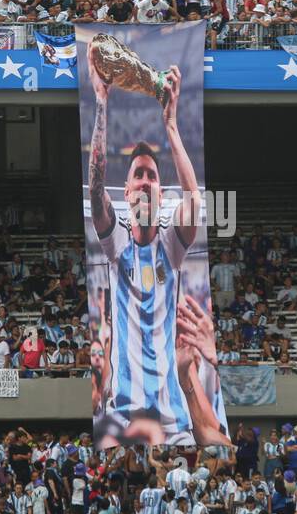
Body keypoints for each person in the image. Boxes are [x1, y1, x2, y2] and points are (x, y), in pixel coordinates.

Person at [86, 50, 226, 448]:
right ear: (127, 193)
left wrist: (170, 124)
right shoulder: (117, 247)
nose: (146, 181)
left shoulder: (171, 246)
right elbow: (96, 191)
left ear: (159, 193)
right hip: (121, 423)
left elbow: (196, 201)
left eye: (151, 176)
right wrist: (101, 102)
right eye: (138, 176)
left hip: (175, 425)